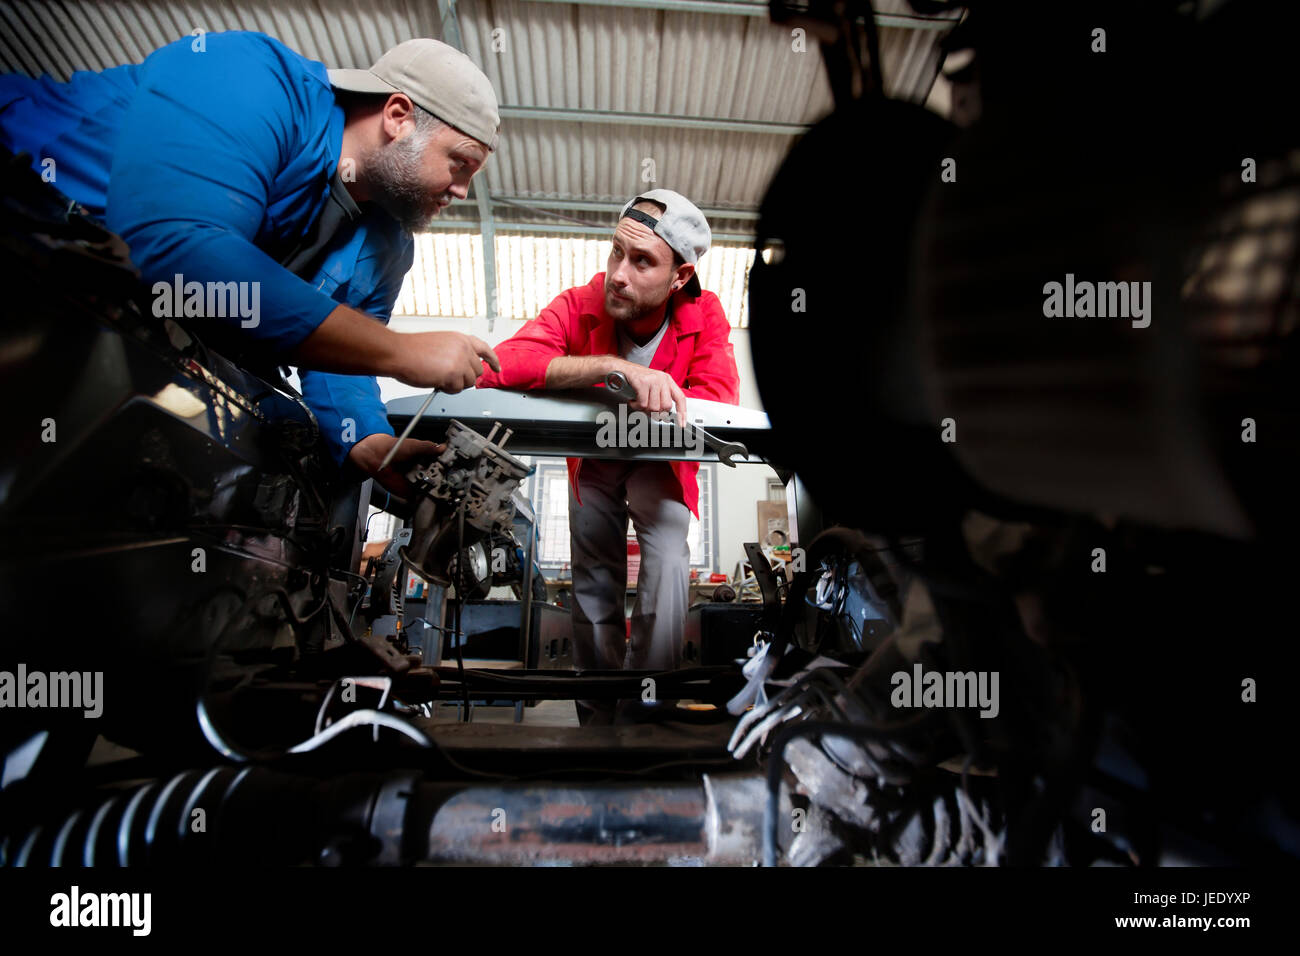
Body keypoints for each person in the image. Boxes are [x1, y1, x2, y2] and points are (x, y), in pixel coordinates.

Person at [0, 30, 501, 496]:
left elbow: (344, 350)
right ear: (398, 115)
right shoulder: (249, 79)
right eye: (460, 163)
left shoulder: (387, 244)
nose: (461, 190)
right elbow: (177, 249)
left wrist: (367, 441)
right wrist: (401, 352)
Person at [475, 189, 741, 722]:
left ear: (680, 277)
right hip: (592, 460)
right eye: (617, 251)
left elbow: (719, 398)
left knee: (667, 560)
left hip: (659, 459)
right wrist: (609, 370)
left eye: (642, 261)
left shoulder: (704, 312)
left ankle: (645, 709)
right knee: (594, 580)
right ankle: (598, 717)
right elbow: (501, 365)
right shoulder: (580, 302)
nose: (619, 273)